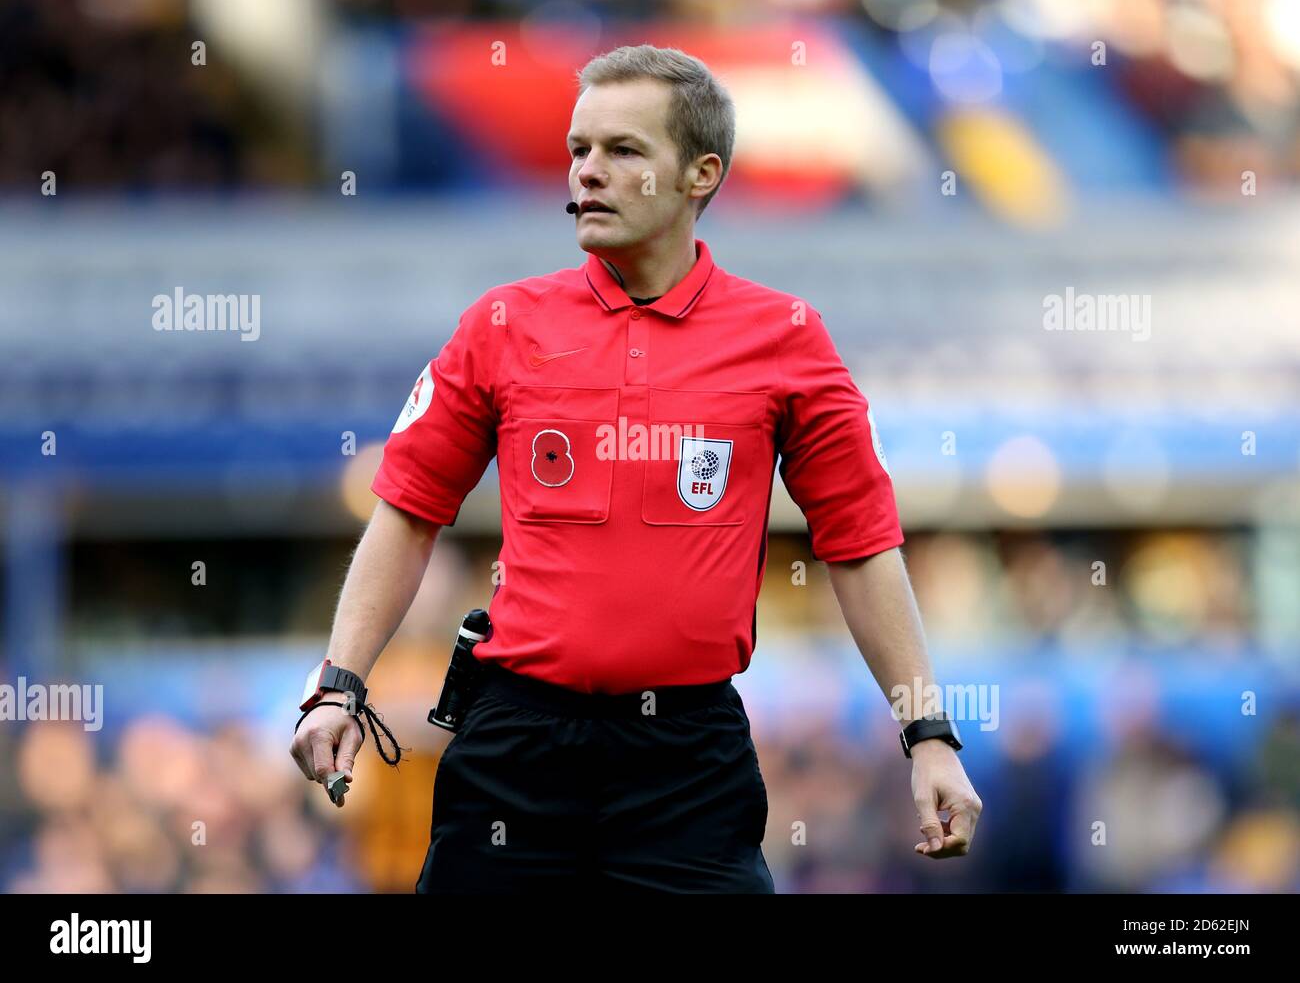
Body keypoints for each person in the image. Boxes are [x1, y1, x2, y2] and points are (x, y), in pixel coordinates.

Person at [290, 44, 981, 893]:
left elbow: (862, 546)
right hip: (517, 744)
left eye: (623, 151)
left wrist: (929, 734)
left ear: (701, 174)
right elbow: (406, 511)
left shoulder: (786, 339)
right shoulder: (502, 324)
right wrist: (340, 687)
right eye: (579, 149)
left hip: (687, 763)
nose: (588, 172)